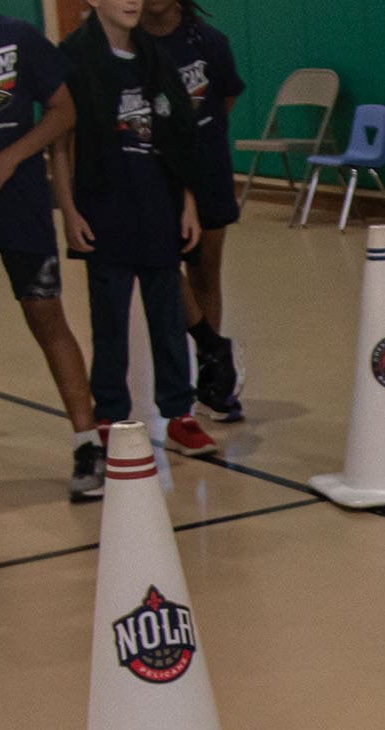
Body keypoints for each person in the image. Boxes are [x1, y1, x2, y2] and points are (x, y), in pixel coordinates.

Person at [0, 0, 104, 500]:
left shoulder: (17, 35)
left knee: (45, 314)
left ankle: (87, 444)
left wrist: (9, 158)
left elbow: (64, 110)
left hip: (21, 208)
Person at [51, 0, 220, 459]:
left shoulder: (156, 59)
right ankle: (109, 413)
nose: (132, 1)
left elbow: (181, 137)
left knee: (168, 321)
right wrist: (69, 211)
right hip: (104, 212)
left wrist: (187, 204)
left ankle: (179, 413)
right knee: (109, 323)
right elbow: (60, 144)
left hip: (158, 210)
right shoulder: (73, 58)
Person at [139, 0, 244, 422]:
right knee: (160, 264)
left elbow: (226, 98)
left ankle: (211, 376)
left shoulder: (209, 43)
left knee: (205, 274)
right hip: (152, 174)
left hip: (207, 173)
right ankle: (210, 343)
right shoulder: (128, 43)